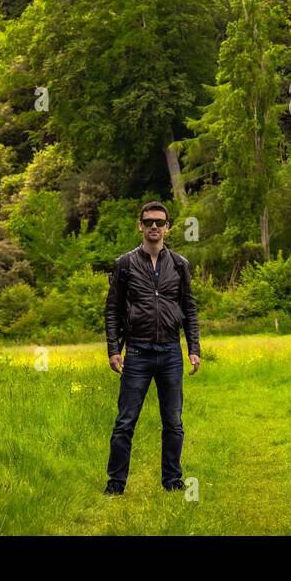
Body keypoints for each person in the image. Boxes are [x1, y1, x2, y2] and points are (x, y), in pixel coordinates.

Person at [103, 200, 201, 494]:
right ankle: (116, 484)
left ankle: (172, 481)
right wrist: (113, 349)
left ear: (168, 227)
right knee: (125, 422)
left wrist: (193, 347)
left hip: (171, 352)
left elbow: (189, 309)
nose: (154, 227)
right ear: (140, 226)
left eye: (159, 222)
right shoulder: (125, 264)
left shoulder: (180, 265)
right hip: (137, 353)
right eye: (149, 222)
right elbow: (112, 309)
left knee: (173, 422)